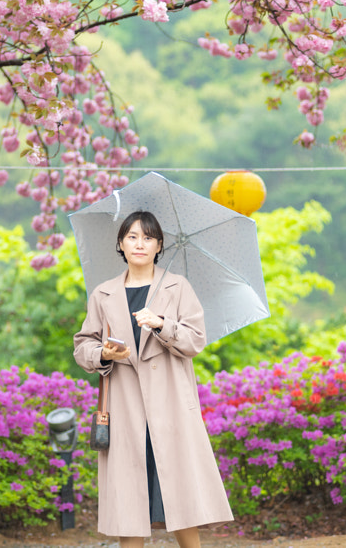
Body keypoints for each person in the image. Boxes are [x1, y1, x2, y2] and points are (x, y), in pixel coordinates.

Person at [73, 210, 232, 548]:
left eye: (147, 237)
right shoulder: (103, 293)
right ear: (120, 244)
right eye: (132, 236)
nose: (140, 244)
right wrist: (103, 354)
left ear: (159, 245)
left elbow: (195, 340)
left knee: (181, 498)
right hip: (126, 408)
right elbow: (83, 345)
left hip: (170, 407)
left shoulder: (177, 287)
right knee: (129, 504)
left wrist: (163, 324)